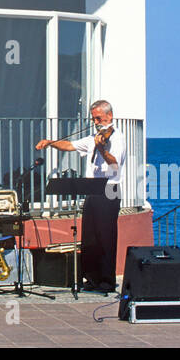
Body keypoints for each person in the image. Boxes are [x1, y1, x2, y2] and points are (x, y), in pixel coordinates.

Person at [35, 100, 125, 293]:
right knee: (90, 236)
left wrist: (102, 149)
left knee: (105, 236)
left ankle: (106, 280)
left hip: (110, 188)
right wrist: (51, 143)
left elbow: (114, 164)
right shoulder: (94, 137)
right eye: (93, 118)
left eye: (99, 118)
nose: (96, 122)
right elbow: (69, 145)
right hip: (92, 188)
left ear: (109, 116)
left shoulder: (117, 138)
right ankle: (91, 278)